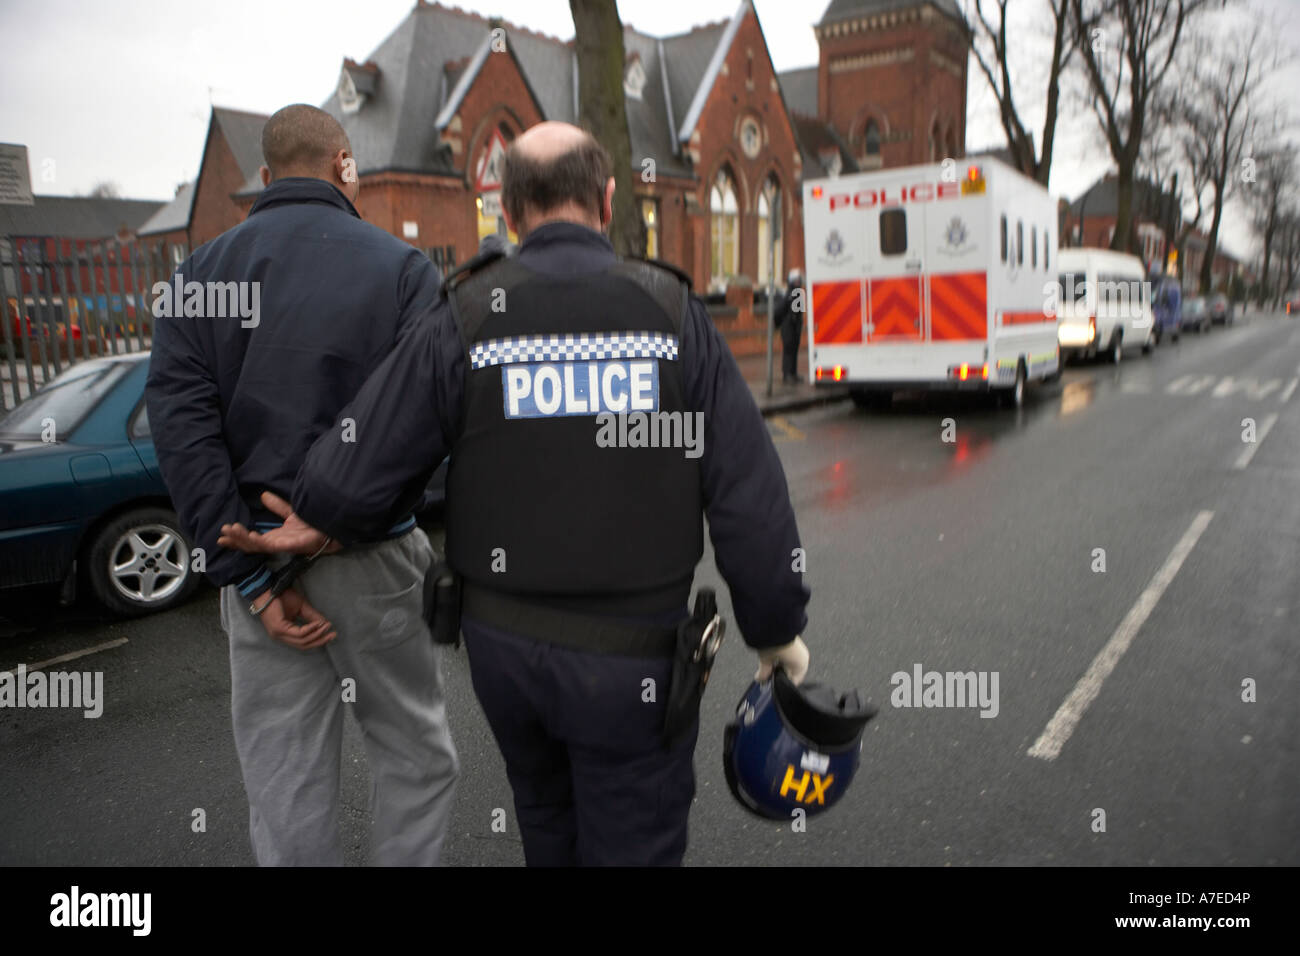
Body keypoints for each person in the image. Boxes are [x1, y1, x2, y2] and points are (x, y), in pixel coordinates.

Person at [218, 121, 811, 867]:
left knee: (547, 825)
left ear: (506, 208)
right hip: (637, 662)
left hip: (507, 659)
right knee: (635, 837)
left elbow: (358, 460)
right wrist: (775, 627)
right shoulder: (671, 315)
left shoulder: (465, 317)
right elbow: (749, 496)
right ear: (604, 198)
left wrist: (311, 520)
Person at [145, 104, 458, 866]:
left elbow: (183, 433)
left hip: (254, 561)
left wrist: (249, 573)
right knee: (415, 757)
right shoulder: (403, 270)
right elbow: (431, 417)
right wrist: (331, 519)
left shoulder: (198, 277)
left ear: (262, 176)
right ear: (345, 163)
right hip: (373, 558)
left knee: (285, 776)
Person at [775, 269, 804, 384]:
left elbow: (799, 312)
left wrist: (798, 324)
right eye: (795, 280)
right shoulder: (789, 294)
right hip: (788, 327)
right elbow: (779, 311)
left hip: (795, 327)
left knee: (794, 349)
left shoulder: (799, 293)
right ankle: (787, 374)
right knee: (788, 350)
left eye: (799, 280)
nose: (798, 282)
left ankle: (793, 373)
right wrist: (780, 323)